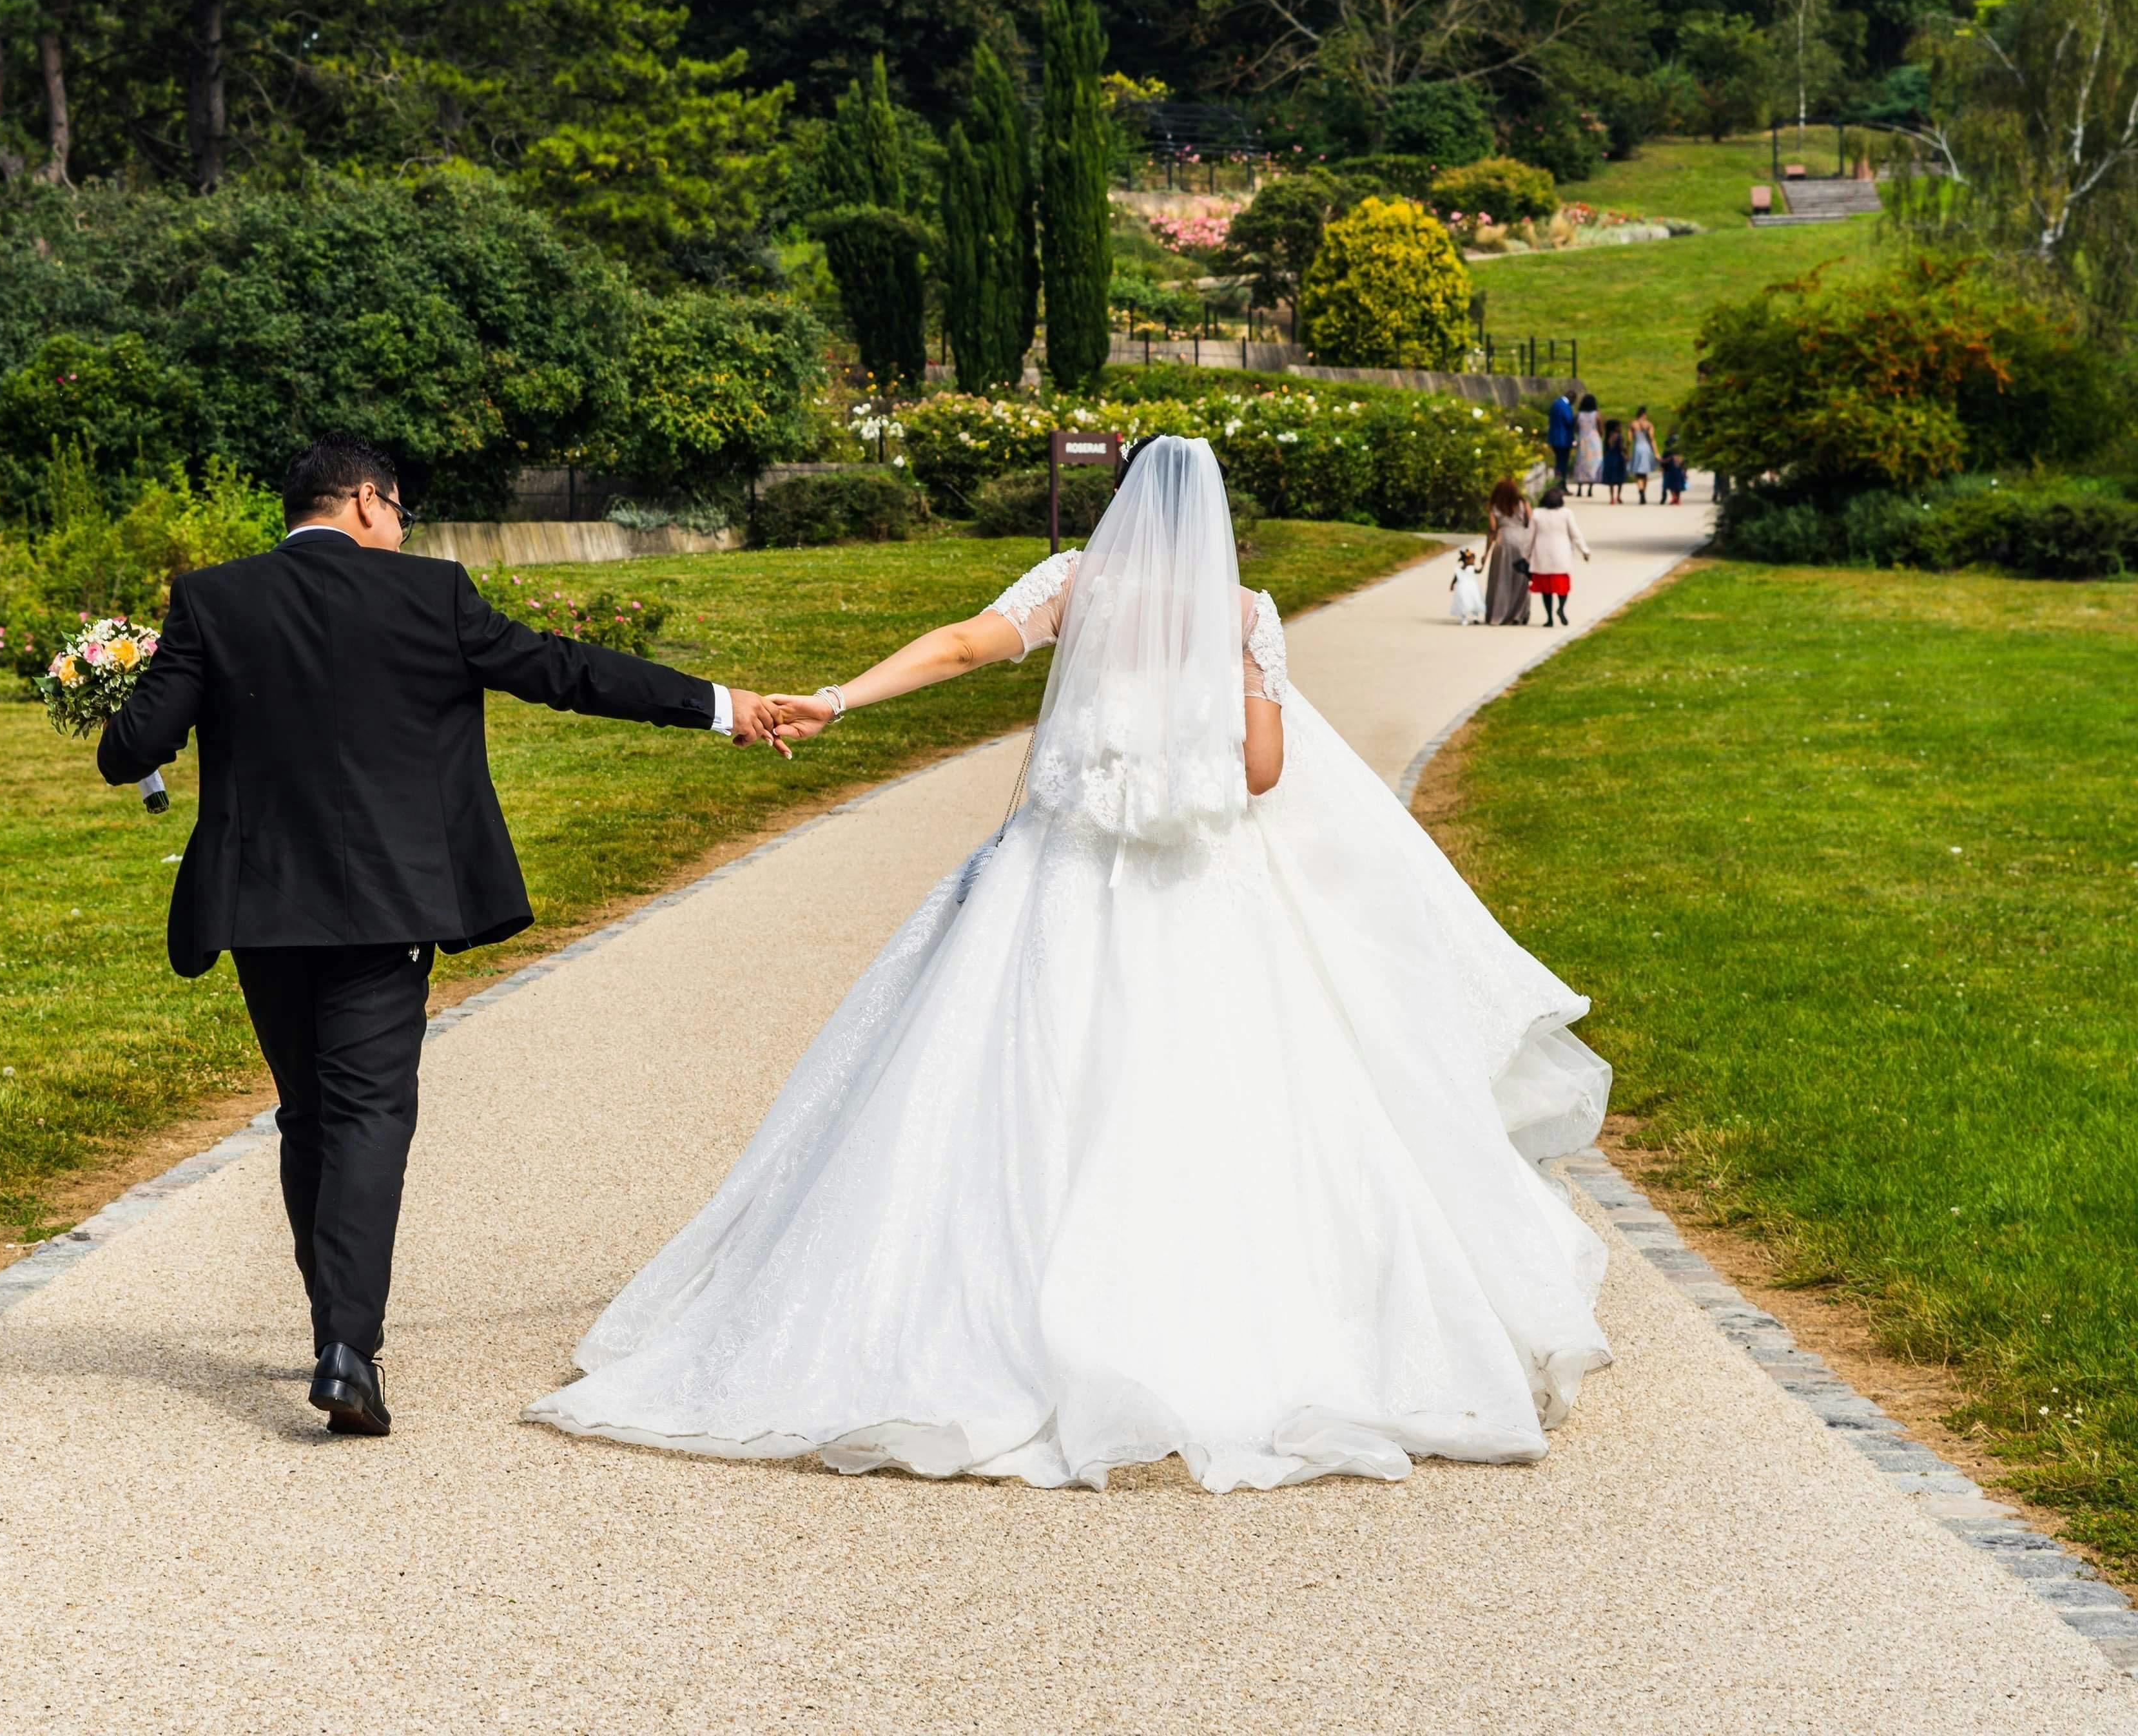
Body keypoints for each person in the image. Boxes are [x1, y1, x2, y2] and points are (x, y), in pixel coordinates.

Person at [526, 438, 1615, 1493]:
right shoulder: (1243, 616)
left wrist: (838, 698)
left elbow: (960, 646)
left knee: (1009, 1086)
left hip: (1057, 876)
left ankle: (977, 1322)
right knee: (1228, 1098)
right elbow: (1264, 771)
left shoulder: (1074, 583)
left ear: (1124, 500)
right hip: (1199, 890)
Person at [99, 433, 787, 1439]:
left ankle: (335, 1331)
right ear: (366, 501)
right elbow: (565, 671)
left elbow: (131, 751)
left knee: (307, 1112)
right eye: (401, 510)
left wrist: (115, 692)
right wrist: (721, 707)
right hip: (391, 899)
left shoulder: (214, 600)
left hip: (263, 908)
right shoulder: (433, 596)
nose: (403, 527)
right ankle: (347, 1348)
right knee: (369, 1110)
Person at [1527, 481, 1588, 626]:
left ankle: (1549, 619)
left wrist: (1525, 554)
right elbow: (1575, 534)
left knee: (1546, 591)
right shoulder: (1566, 514)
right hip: (1561, 555)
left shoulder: (1537, 514)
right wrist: (1584, 550)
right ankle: (1561, 608)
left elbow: (1529, 537)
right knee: (1562, 587)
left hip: (1542, 556)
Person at [1482, 476, 1533, 625]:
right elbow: (1531, 523)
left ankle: (1499, 614)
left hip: (1503, 542)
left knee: (1501, 578)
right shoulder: (1524, 504)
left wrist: (1486, 553)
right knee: (1521, 579)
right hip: (1522, 542)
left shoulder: (1495, 507)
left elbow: (1492, 530)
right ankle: (1519, 614)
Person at [1571, 396, 1603, 494]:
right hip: (1594, 441)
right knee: (1593, 465)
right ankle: (1590, 488)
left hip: (1583, 441)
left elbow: (1576, 429)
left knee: (1581, 463)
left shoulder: (1579, 415)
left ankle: (1580, 488)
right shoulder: (1596, 415)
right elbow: (1601, 430)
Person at [1627, 407, 1658, 504]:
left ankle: (1641, 491)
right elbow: (1652, 438)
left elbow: (1629, 440)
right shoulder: (1649, 425)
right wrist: (1656, 453)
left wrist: (1627, 451)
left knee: (1638, 473)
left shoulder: (1633, 424)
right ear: (1645, 414)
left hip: (1637, 449)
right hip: (1647, 449)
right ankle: (1644, 491)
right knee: (1645, 473)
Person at [1544, 391, 1577, 484]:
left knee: (1559, 462)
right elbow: (1569, 421)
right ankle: (1561, 484)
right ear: (1572, 398)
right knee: (1562, 463)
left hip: (1554, 438)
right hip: (1563, 439)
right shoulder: (1565, 406)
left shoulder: (1556, 403)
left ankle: (1558, 483)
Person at [1598, 417, 1629, 505]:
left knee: (1611, 480)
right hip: (1618, 459)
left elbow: (1606, 450)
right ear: (1615, 427)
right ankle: (1618, 496)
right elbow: (1621, 448)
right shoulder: (1619, 437)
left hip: (1609, 459)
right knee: (1620, 478)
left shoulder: (1607, 437)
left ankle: (1612, 498)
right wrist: (1626, 453)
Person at [1660, 432, 1689, 505]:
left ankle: (1675, 497)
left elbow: (1663, 462)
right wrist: (1685, 472)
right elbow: (1685, 464)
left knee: (1671, 485)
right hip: (1677, 471)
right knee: (1678, 486)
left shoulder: (1667, 452)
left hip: (1670, 471)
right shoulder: (1681, 452)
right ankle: (1677, 498)